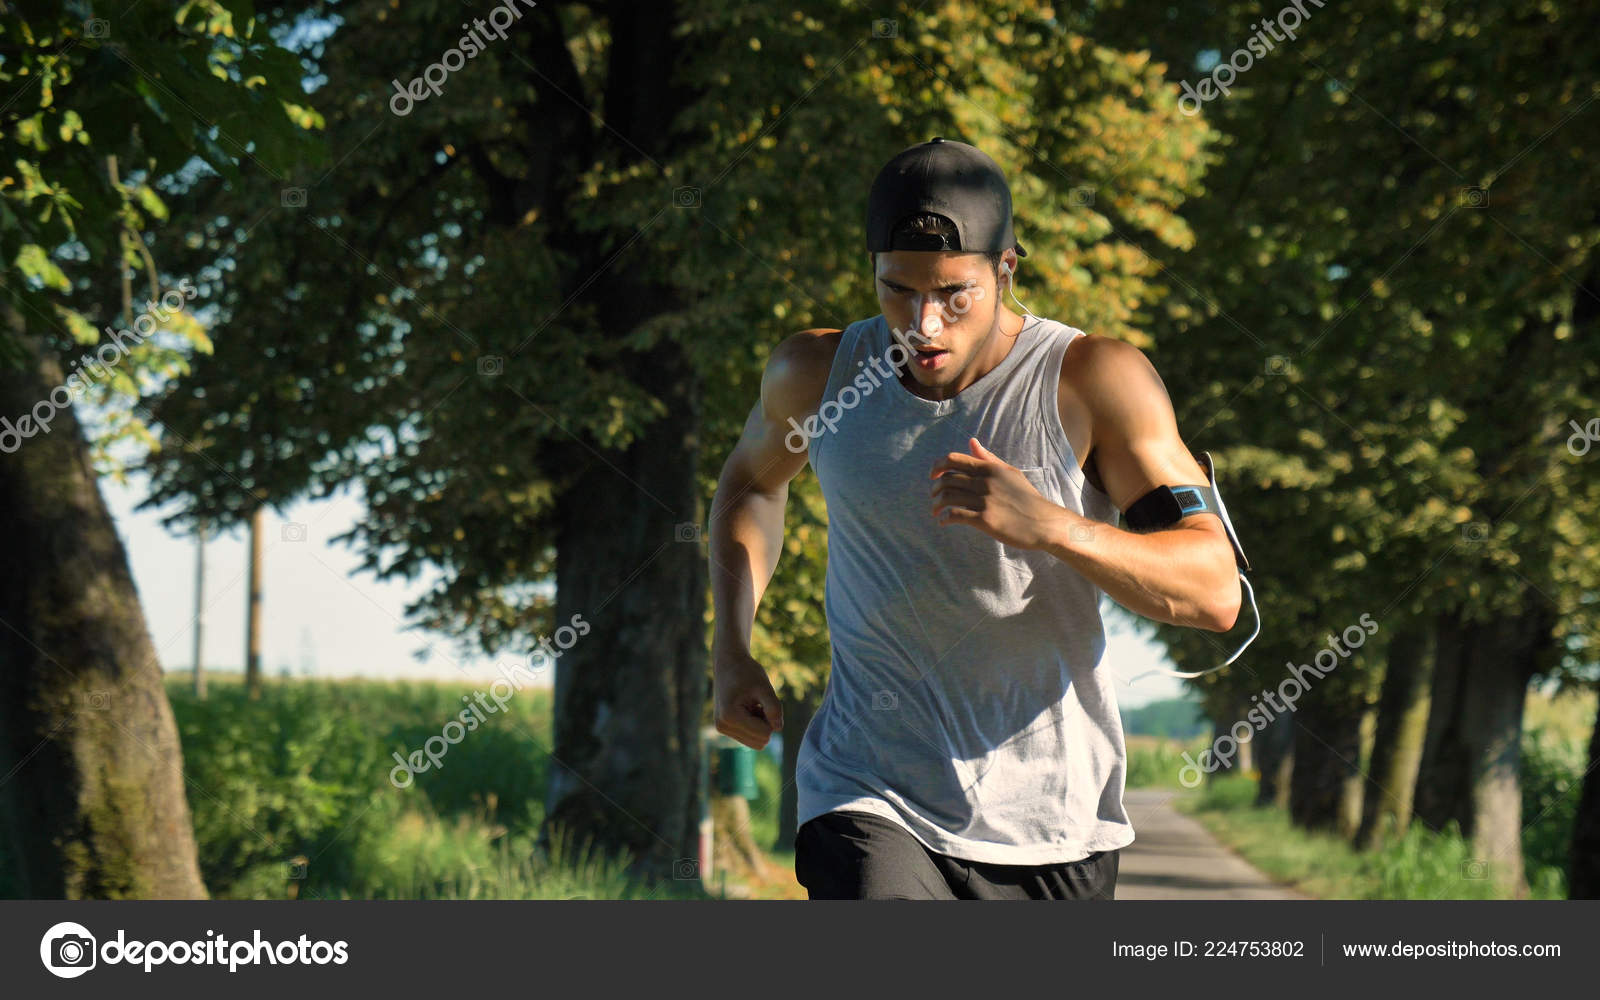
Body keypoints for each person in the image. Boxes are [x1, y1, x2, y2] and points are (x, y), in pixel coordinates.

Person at [707, 137, 1242, 900]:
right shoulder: (816, 376)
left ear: (1006, 269)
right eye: (898, 290)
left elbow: (1214, 590)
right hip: (867, 789)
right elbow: (750, 488)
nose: (924, 323)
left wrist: (1050, 524)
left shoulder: (1093, 381)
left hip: (1053, 816)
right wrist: (732, 649)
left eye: (955, 293)